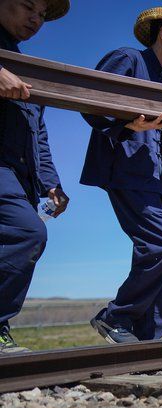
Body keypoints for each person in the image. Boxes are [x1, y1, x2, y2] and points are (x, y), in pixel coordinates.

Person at [81, 7, 162, 343]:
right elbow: (90, 101)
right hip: (127, 172)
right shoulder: (128, 59)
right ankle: (115, 317)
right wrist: (127, 124)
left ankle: (148, 340)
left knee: (157, 255)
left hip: (158, 181)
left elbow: (158, 140)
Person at [0, 0, 70, 354]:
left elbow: (37, 134)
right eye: (28, 6)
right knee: (27, 232)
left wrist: (50, 183)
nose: (35, 19)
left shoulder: (23, 66)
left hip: (19, 176)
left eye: (42, 15)